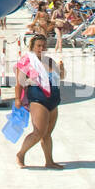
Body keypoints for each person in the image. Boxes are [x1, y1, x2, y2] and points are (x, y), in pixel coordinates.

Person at [15, 34, 65, 169]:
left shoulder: (49, 61)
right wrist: (17, 99)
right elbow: (19, 83)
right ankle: (20, 154)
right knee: (38, 132)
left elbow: (60, 77)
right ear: (32, 47)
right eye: (38, 45)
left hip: (53, 99)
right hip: (38, 99)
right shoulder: (27, 61)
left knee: (47, 133)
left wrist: (62, 69)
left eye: (43, 46)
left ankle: (49, 161)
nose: (41, 48)